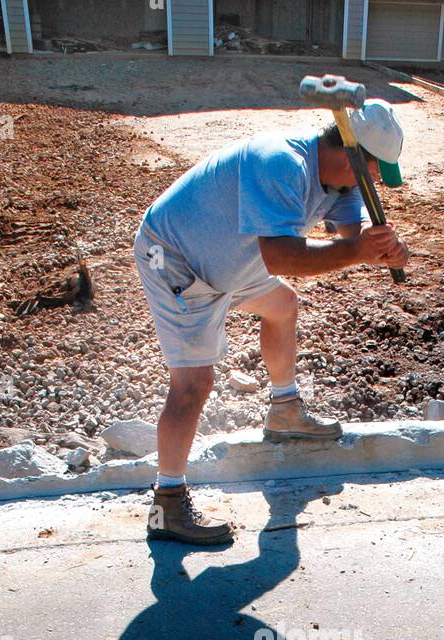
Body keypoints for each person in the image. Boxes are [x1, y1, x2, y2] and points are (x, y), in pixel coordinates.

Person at [133, 99, 408, 545]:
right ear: (352, 157)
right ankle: (167, 504)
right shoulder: (279, 162)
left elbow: (353, 239)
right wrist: (357, 252)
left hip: (230, 262)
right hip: (174, 258)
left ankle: (284, 410)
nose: (375, 183)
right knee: (193, 383)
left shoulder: (342, 185)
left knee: (281, 305)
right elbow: (283, 258)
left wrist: (386, 250)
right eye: (375, 172)